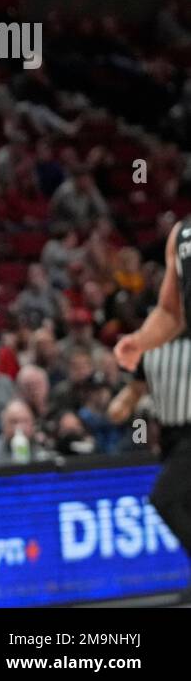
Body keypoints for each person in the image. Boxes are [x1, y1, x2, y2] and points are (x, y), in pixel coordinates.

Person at [113, 218, 191, 597]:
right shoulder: (182, 234)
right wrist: (141, 340)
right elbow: (171, 312)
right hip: (177, 434)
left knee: (166, 497)